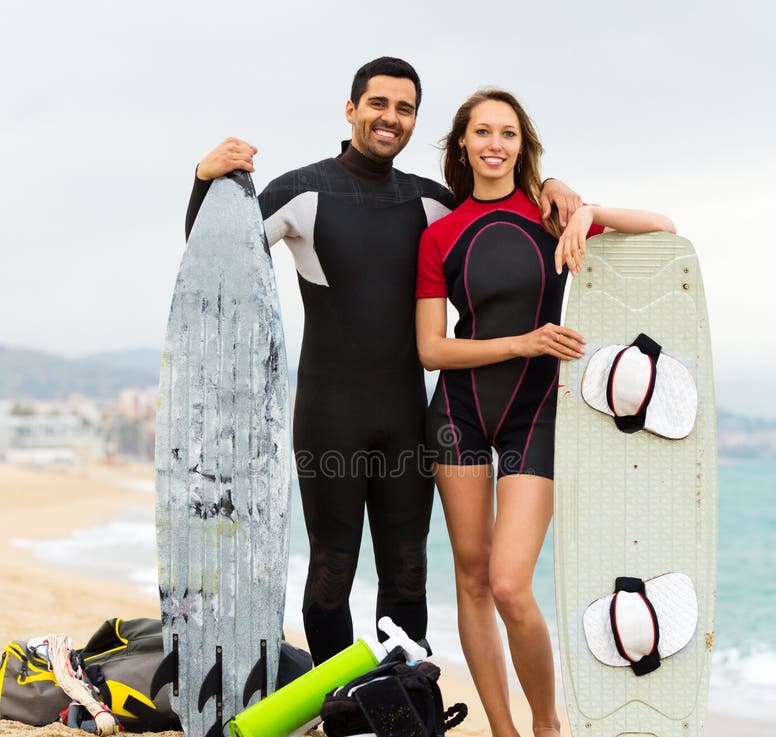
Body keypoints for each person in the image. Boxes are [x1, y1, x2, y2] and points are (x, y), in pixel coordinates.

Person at [185, 60, 582, 667]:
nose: (389, 118)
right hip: (328, 414)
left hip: (407, 417)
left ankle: (399, 700)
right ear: (351, 110)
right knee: (332, 567)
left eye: (404, 108)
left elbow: (499, 211)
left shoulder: (431, 202)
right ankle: (335, 698)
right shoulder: (303, 190)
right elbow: (210, 251)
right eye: (378, 104)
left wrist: (554, 187)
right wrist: (202, 178)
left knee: (407, 570)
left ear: (415, 119)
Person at [415, 88, 675, 737]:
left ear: (522, 145)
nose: (494, 144)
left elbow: (663, 227)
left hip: (537, 412)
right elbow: (431, 349)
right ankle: (504, 736)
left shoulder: (553, 215)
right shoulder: (440, 234)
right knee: (470, 577)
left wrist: (588, 209)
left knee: (508, 582)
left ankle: (547, 727)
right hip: (459, 413)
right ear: (463, 144)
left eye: (507, 133)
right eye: (482, 132)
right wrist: (523, 343)